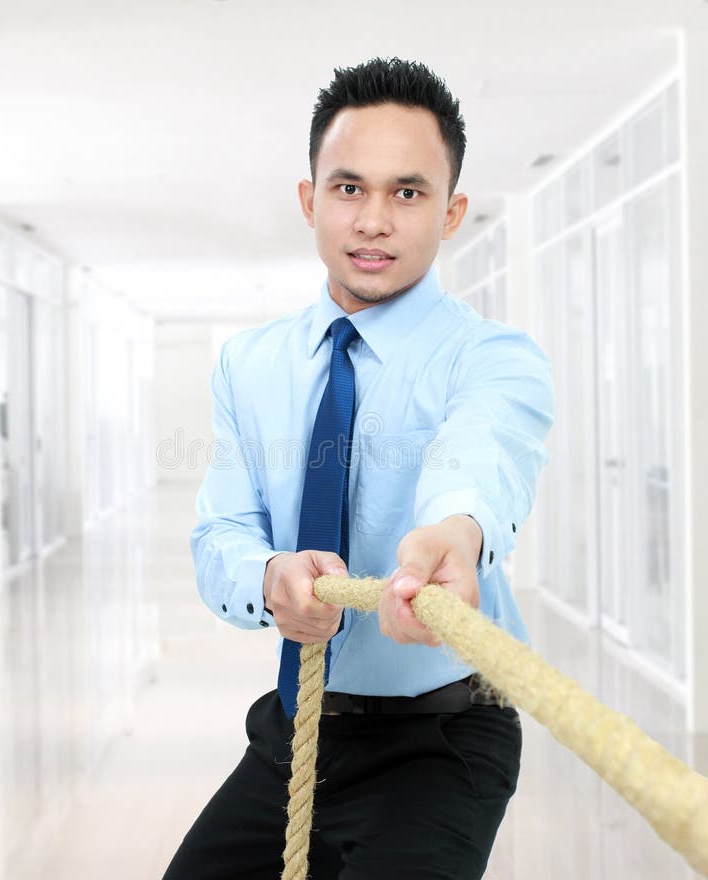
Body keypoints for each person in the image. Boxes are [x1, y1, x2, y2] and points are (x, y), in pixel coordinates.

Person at [162, 57, 554, 880]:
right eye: (349, 188)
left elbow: (480, 457)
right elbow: (222, 530)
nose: (373, 220)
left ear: (450, 214)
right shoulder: (248, 363)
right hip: (295, 725)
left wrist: (455, 535)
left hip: (441, 739)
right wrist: (268, 575)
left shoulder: (494, 358)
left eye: (407, 192)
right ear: (311, 200)